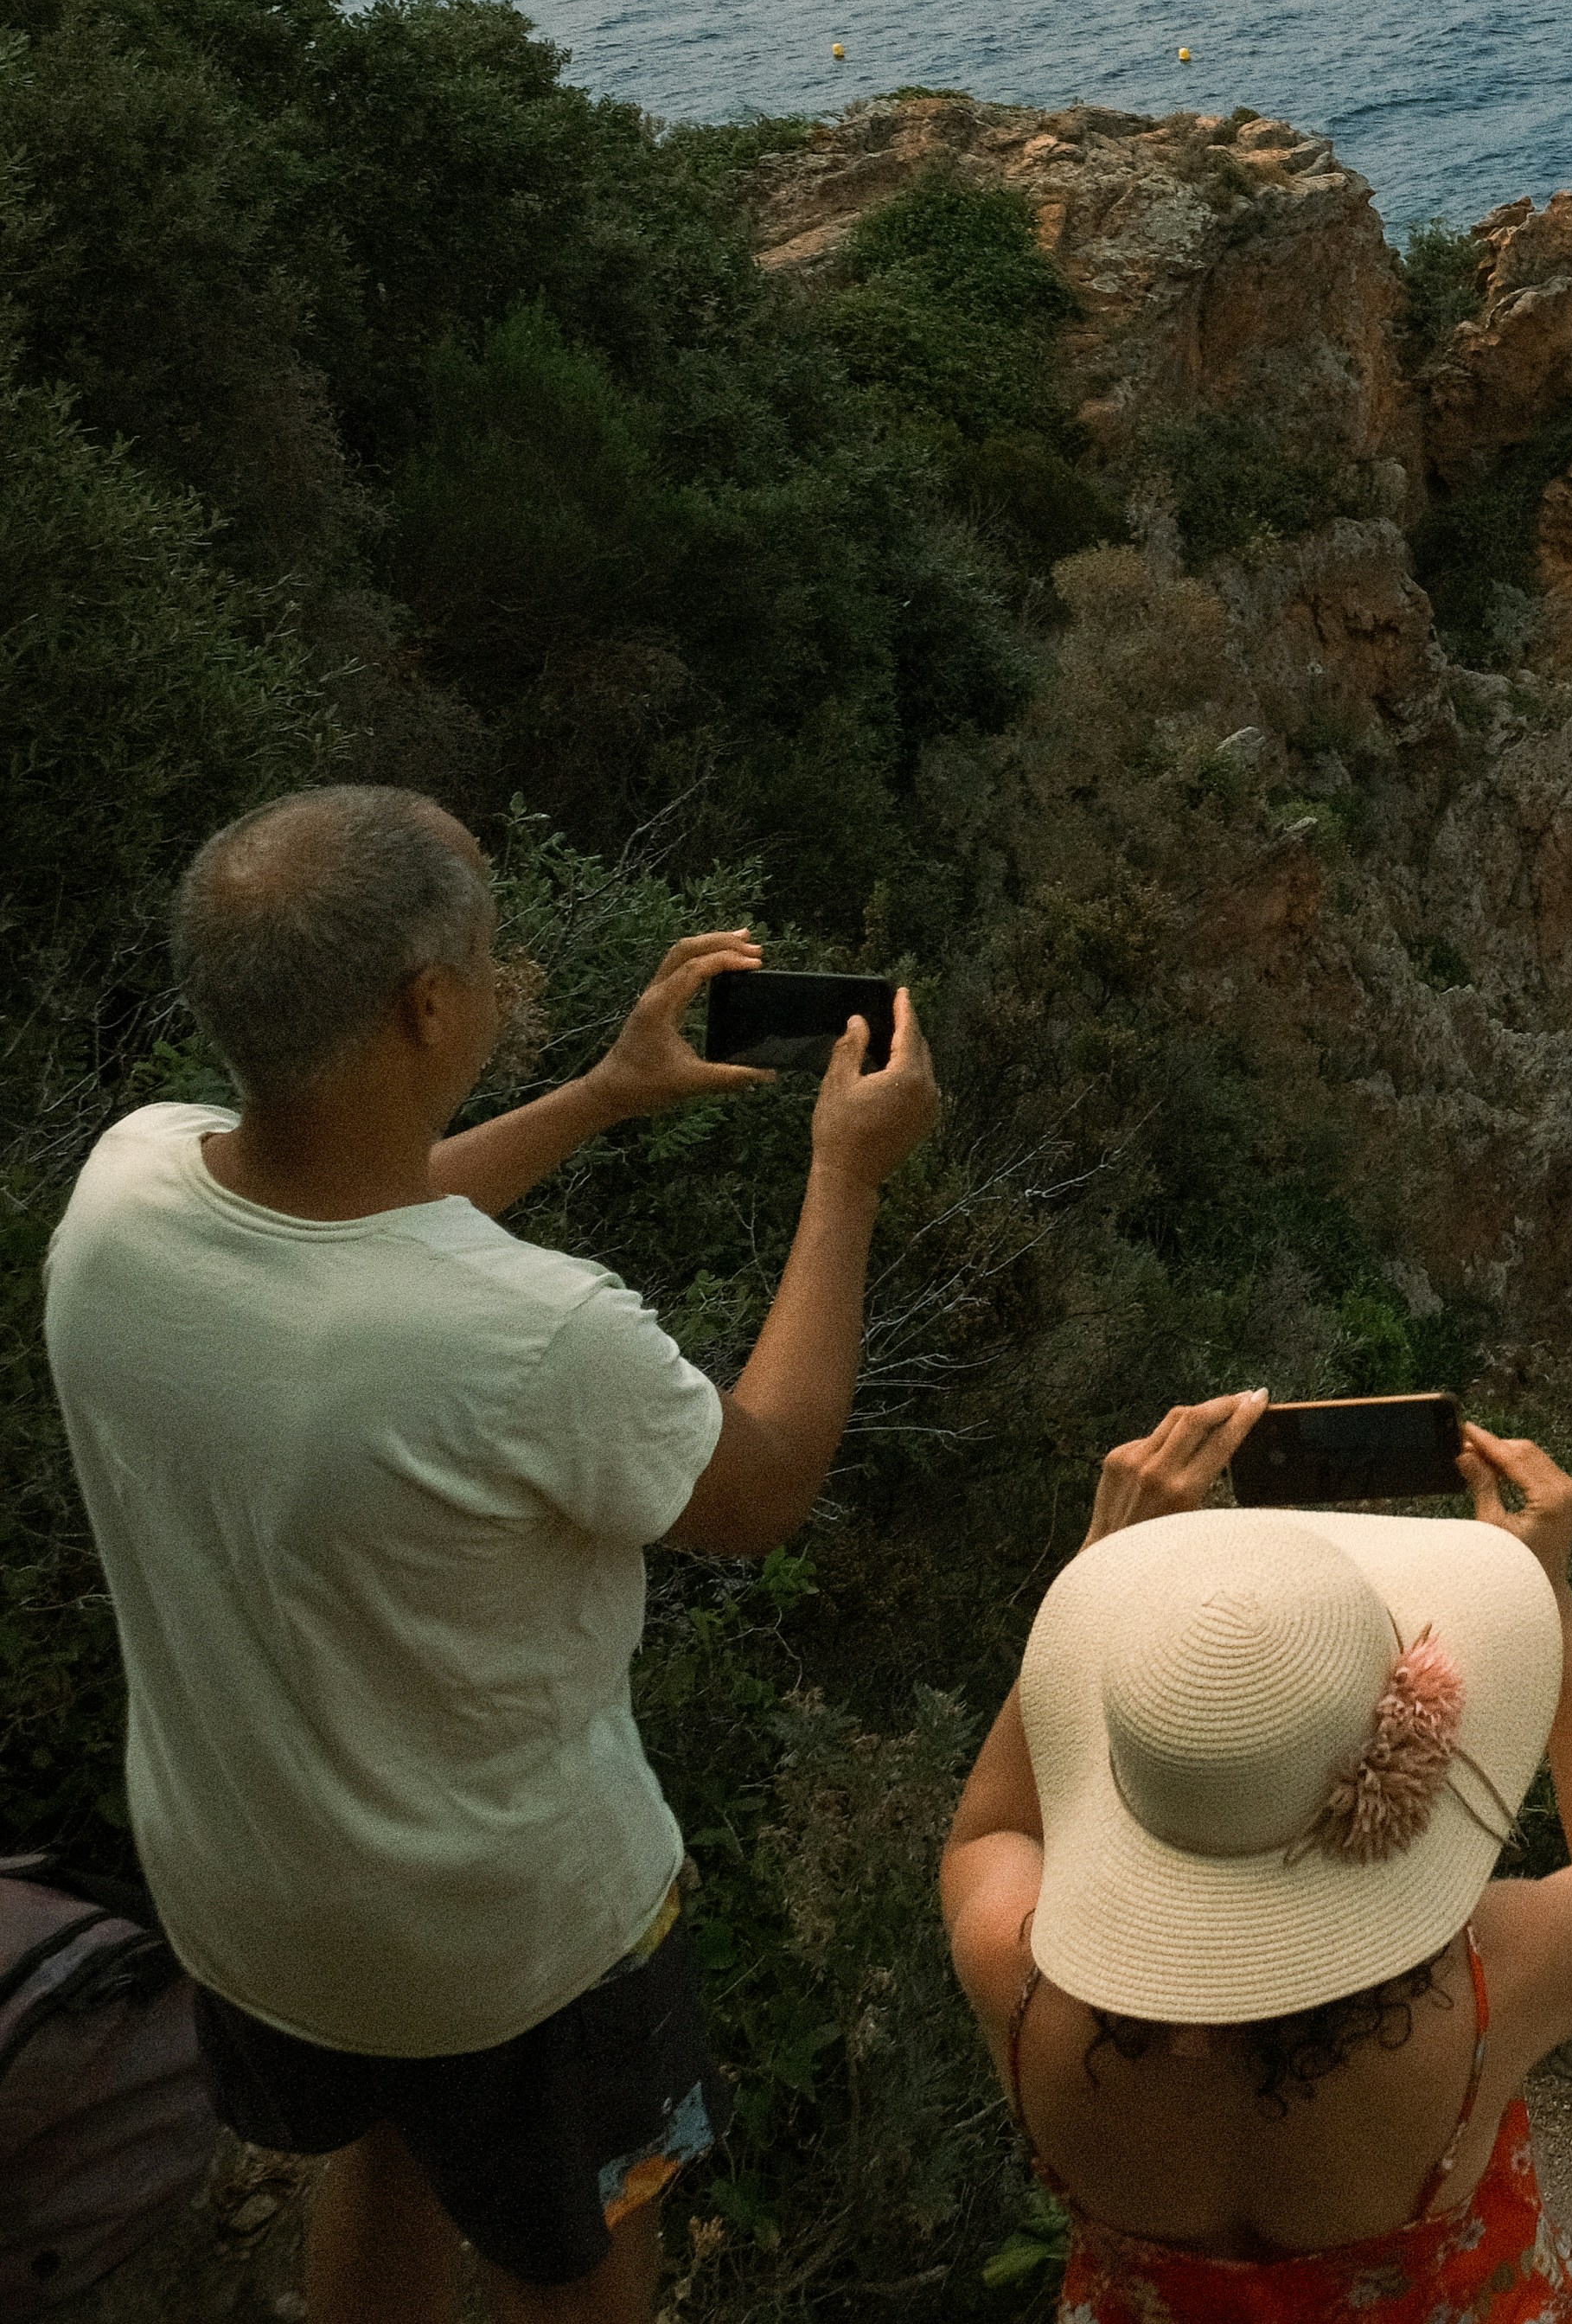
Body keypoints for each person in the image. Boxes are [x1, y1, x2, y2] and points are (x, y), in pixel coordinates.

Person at [37, 784, 941, 2323]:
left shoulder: (124, 1192)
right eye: (493, 949)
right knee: (573, 2262)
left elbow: (352, 1216)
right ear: (429, 1003)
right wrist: (845, 1171)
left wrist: (599, 1094)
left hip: (252, 1904)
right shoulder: (533, 1338)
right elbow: (762, 1482)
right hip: (512, 1949)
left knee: (382, 2155)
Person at [940, 1393, 1572, 2323]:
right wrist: (1551, 1597)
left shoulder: (1017, 1981)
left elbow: (989, 1832)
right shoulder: (1482, 1993)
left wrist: (1098, 1565)